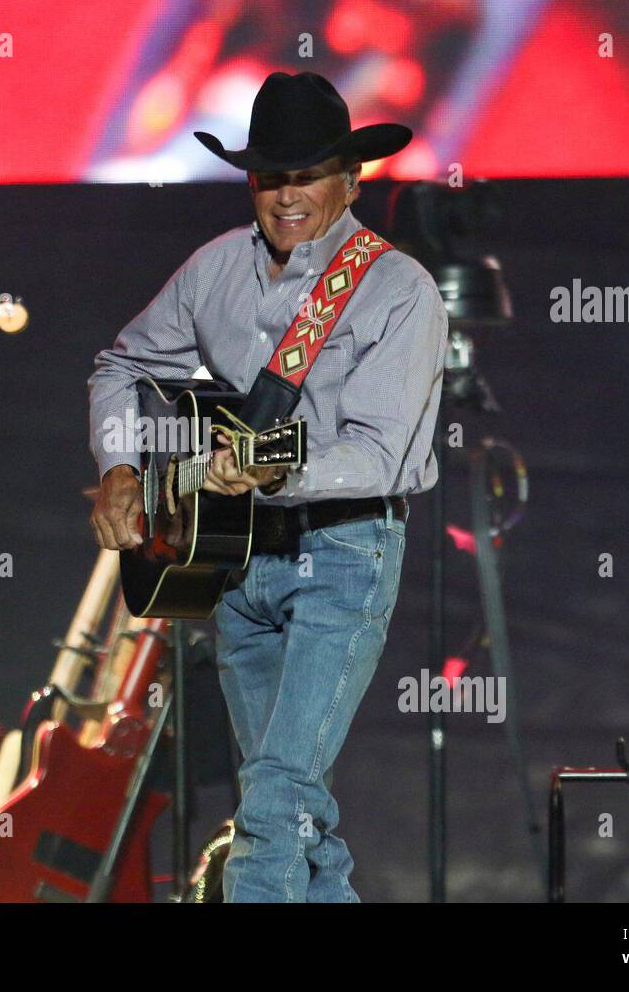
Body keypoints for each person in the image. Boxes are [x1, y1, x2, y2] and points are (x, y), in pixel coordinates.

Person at [88, 71, 447, 902]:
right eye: (271, 176)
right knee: (290, 808)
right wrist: (117, 467)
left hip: (346, 554)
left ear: (351, 179)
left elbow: (383, 456)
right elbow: (122, 364)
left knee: (275, 800)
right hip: (235, 562)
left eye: (308, 173)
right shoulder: (214, 270)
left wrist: (280, 471)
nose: (288, 194)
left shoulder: (400, 291)